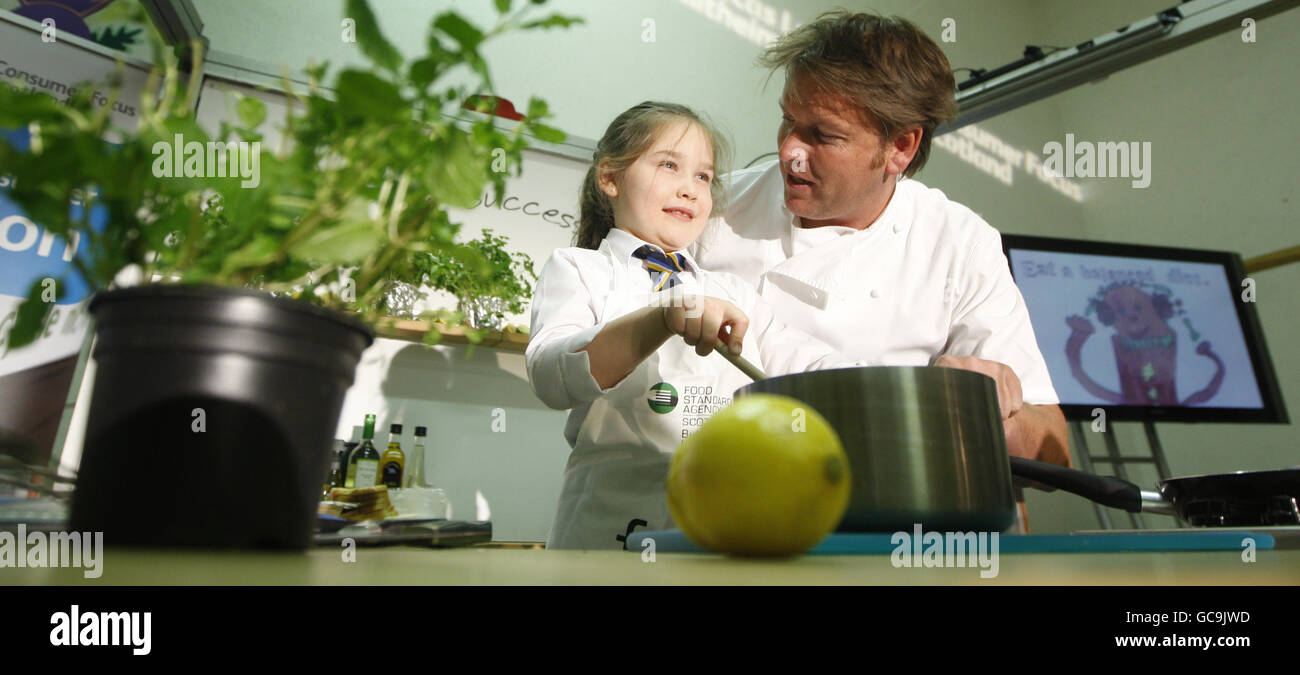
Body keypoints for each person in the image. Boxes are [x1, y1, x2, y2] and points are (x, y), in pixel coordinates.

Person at [693, 11, 1070, 469]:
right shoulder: (709, 207)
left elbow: (1054, 454)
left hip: (885, 511)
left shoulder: (958, 243)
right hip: (717, 487)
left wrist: (969, 404)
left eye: (823, 136)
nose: (789, 151)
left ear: (901, 148)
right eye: (787, 121)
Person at [525, 101, 867, 550]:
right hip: (603, 521)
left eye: (703, 177)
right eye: (669, 165)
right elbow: (552, 376)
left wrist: (883, 384)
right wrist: (662, 316)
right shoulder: (579, 269)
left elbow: (803, 364)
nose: (689, 189)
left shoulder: (733, 293)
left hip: (720, 515)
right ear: (610, 178)